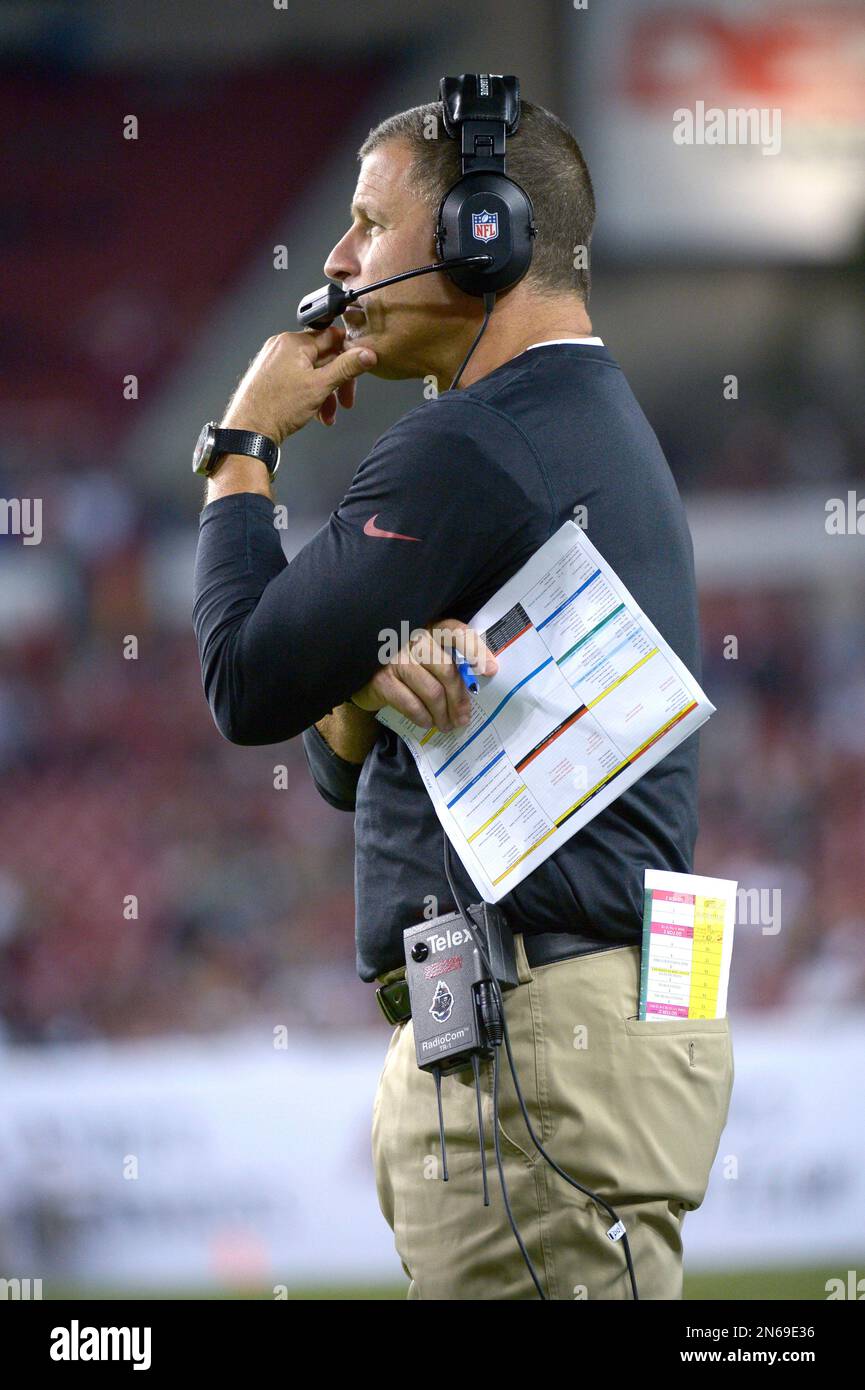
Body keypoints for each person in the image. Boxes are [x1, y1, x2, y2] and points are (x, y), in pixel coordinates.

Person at [192, 95, 734, 1300]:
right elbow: (339, 764)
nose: (335, 265)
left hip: (531, 1039)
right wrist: (364, 695)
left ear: (482, 232)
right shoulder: (579, 424)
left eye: (367, 224)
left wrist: (241, 443)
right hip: (564, 1019)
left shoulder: (471, 444)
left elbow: (242, 679)